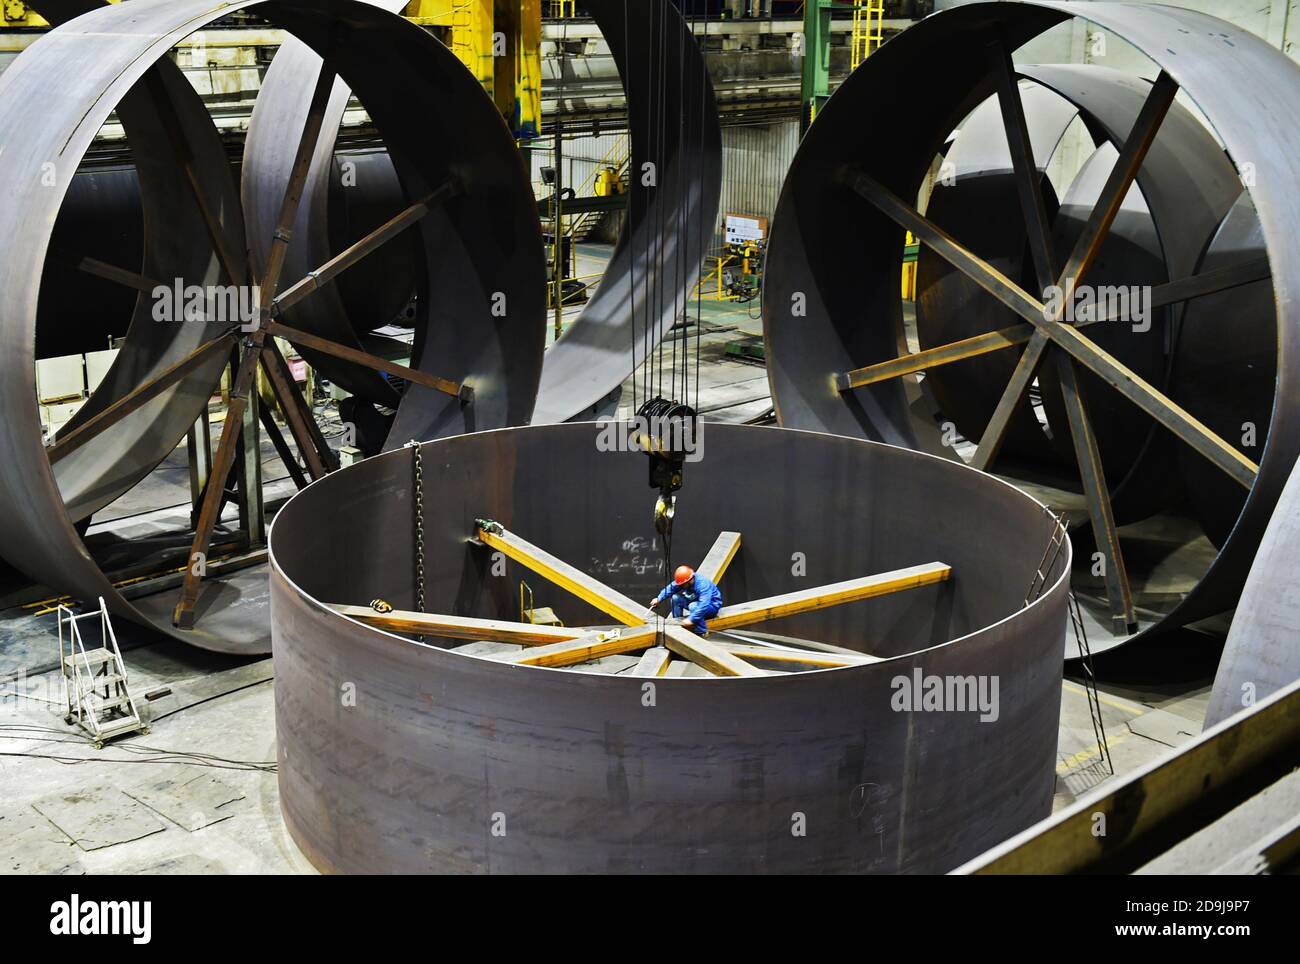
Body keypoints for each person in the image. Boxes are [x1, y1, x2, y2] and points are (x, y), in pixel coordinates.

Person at [648, 565, 722, 636]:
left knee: (693, 606)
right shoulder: (685, 580)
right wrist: (659, 598)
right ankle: (677, 625)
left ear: (689, 581)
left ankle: (701, 632)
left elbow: (704, 605)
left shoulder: (702, 585)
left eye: (683, 584)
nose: (681, 586)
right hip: (695, 602)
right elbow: (671, 588)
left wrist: (691, 619)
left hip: (711, 606)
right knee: (675, 598)